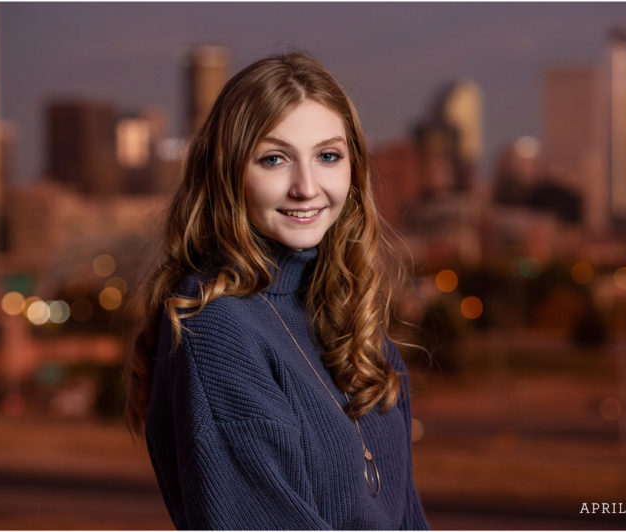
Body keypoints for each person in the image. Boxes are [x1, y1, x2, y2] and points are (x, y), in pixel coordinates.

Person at [124, 52, 429, 530]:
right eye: (274, 159)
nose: (306, 187)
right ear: (228, 175)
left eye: (328, 156)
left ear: (353, 172)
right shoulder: (217, 330)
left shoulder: (353, 323)